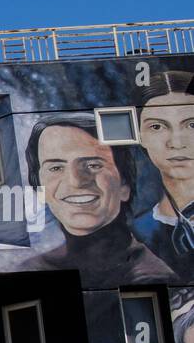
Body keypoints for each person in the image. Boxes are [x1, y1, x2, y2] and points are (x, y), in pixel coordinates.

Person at [26, 115, 175, 288]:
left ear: (124, 186)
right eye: (56, 168)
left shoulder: (151, 280)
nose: (76, 181)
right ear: (40, 189)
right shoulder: (34, 270)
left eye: (93, 165)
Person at [133, 70, 194, 280]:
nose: (176, 142)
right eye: (157, 127)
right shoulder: (136, 234)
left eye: (192, 125)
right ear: (140, 136)